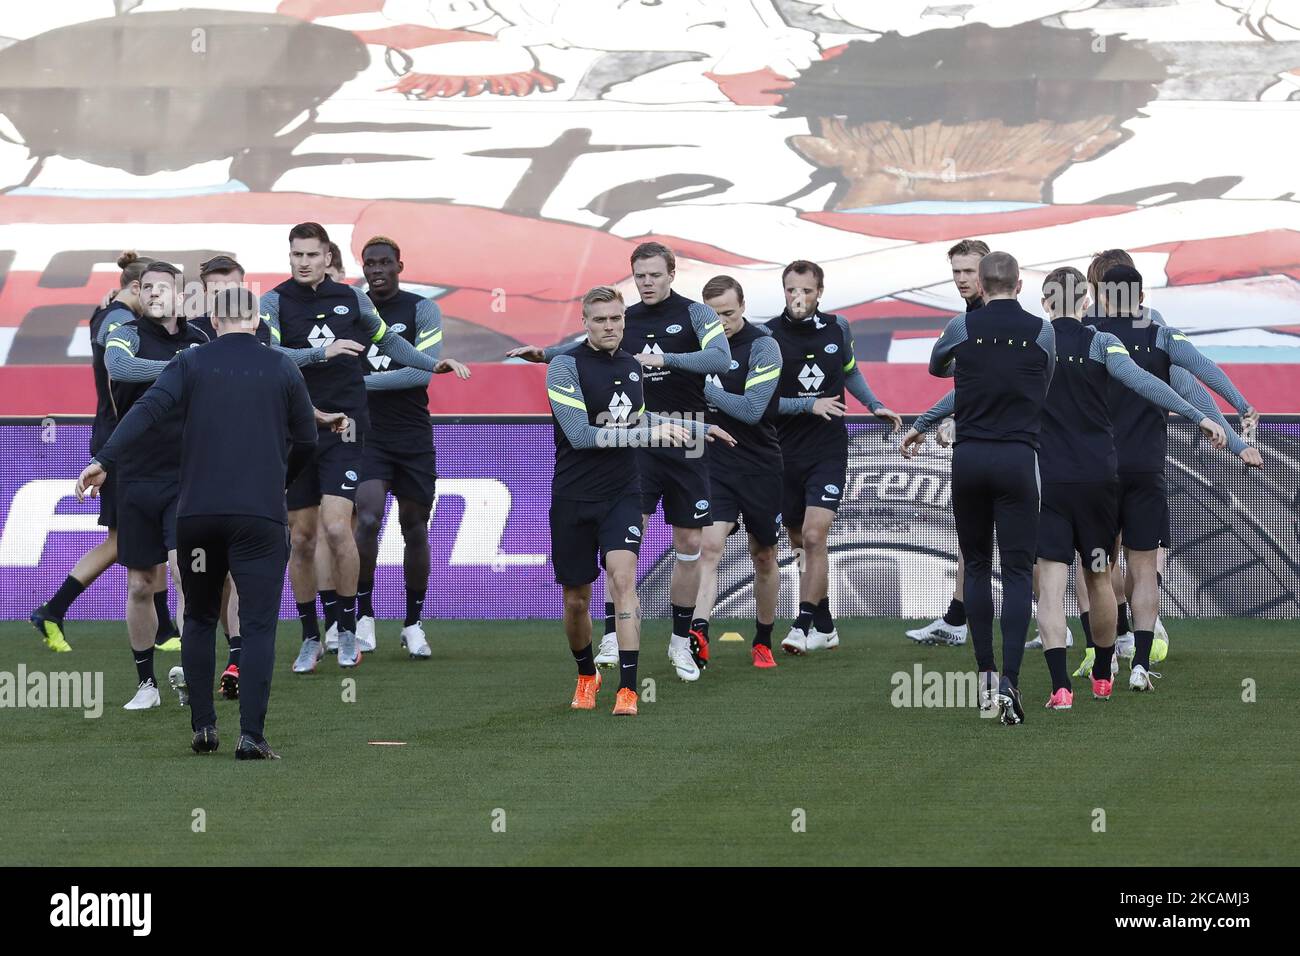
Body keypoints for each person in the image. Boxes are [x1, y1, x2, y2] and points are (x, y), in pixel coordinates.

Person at [907, 267, 1225, 709]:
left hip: (1046, 482)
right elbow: (1144, 382)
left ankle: (1060, 687)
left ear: (1044, 300)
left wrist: (925, 422)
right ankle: (1102, 670)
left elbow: (966, 388)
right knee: (1099, 575)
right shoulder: (1100, 342)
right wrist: (1200, 415)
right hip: (1097, 483)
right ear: (1087, 301)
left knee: (1052, 584)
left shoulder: (1039, 339)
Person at [76, 287, 345, 759]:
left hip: (197, 516)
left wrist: (104, 460)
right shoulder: (282, 367)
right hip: (258, 517)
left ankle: (203, 727)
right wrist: (281, 481)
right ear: (258, 321)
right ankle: (252, 737)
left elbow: (145, 411)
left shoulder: (190, 362)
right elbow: (306, 439)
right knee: (258, 625)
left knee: (198, 616)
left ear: (215, 320)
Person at [512, 241, 732, 683]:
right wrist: (545, 354)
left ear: (671, 274)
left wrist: (664, 358)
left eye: (655, 274)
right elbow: (582, 349)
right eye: (640, 275)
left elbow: (722, 359)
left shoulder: (695, 314)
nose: (647, 282)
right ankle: (613, 634)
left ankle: (679, 640)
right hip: (635, 438)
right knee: (627, 540)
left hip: (684, 429)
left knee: (691, 543)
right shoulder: (620, 317)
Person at [258, 222, 448, 674]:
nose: (303, 262)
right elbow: (270, 353)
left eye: (311, 255)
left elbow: (387, 339)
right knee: (301, 538)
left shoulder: (351, 299)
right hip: (295, 429)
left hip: (345, 427)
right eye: (296, 255)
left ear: (328, 258)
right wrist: (319, 355)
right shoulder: (274, 301)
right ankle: (309, 637)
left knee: (340, 528)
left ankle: (347, 627)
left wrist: (431, 363)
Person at [901, 252, 1053, 725]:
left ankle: (984, 675)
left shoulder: (962, 327)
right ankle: (1011, 679)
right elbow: (1043, 381)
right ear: (1020, 284)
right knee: (1017, 574)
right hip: (1018, 459)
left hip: (969, 459)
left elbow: (935, 368)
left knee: (975, 567)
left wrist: (969, 371)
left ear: (982, 286)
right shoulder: (1042, 330)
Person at [1092, 264, 1259, 691]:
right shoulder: (1161, 335)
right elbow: (1204, 370)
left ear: (1102, 294)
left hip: (1095, 471)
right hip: (1146, 468)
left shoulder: (1088, 337)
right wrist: (1241, 411)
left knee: (1101, 565)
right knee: (1143, 568)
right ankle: (1141, 665)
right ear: (1142, 293)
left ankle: (1107, 658)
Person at [766, 260, 901, 655]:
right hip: (784, 450)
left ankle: (802, 624)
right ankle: (824, 624)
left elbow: (850, 372)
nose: (798, 297)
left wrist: (874, 404)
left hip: (827, 449)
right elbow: (763, 402)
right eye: (791, 289)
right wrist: (809, 404)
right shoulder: (767, 337)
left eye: (806, 290)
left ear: (819, 292)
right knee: (796, 540)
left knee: (813, 535)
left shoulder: (837, 328)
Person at [354, 235, 469, 658]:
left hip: (412, 433)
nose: (378, 270)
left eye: (385, 262)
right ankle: (363, 616)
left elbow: (421, 373)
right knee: (366, 518)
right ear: (362, 268)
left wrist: (358, 383)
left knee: (414, 526)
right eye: (370, 264)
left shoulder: (422, 308)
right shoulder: (354, 310)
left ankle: (413, 623)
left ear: (400, 266)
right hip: (366, 433)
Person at [102, 260, 208, 710]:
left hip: (187, 476)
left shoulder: (199, 340)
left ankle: (189, 672)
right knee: (141, 584)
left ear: (181, 296)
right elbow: (120, 368)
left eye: (164, 288)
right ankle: (146, 683)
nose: (154, 294)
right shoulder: (124, 331)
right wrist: (177, 367)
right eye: (147, 287)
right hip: (135, 476)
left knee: (186, 574)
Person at [31, 251, 146, 653]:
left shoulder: (112, 313)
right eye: (152, 289)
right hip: (119, 442)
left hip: (122, 440)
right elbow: (121, 375)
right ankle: (52, 609)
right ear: (136, 288)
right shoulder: (117, 320)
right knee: (126, 540)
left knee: (141, 538)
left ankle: (165, 628)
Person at [692, 275, 784, 669]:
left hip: (760, 464)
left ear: (743, 307)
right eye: (713, 317)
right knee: (709, 547)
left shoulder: (763, 346)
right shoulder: (695, 347)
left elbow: (751, 410)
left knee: (762, 554)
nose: (722, 323)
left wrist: (708, 392)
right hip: (714, 462)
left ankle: (763, 638)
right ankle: (698, 630)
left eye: (728, 314)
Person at [904, 238, 987, 647]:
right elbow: (963, 382)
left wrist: (938, 419)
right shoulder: (964, 322)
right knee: (974, 539)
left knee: (1027, 545)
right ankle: (956, 619)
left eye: (969, 271)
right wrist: (942, 418)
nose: (961, 279)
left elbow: (984, 387)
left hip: (1013, 444)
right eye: (956, 272)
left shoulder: (994, 322)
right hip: (981, 440)